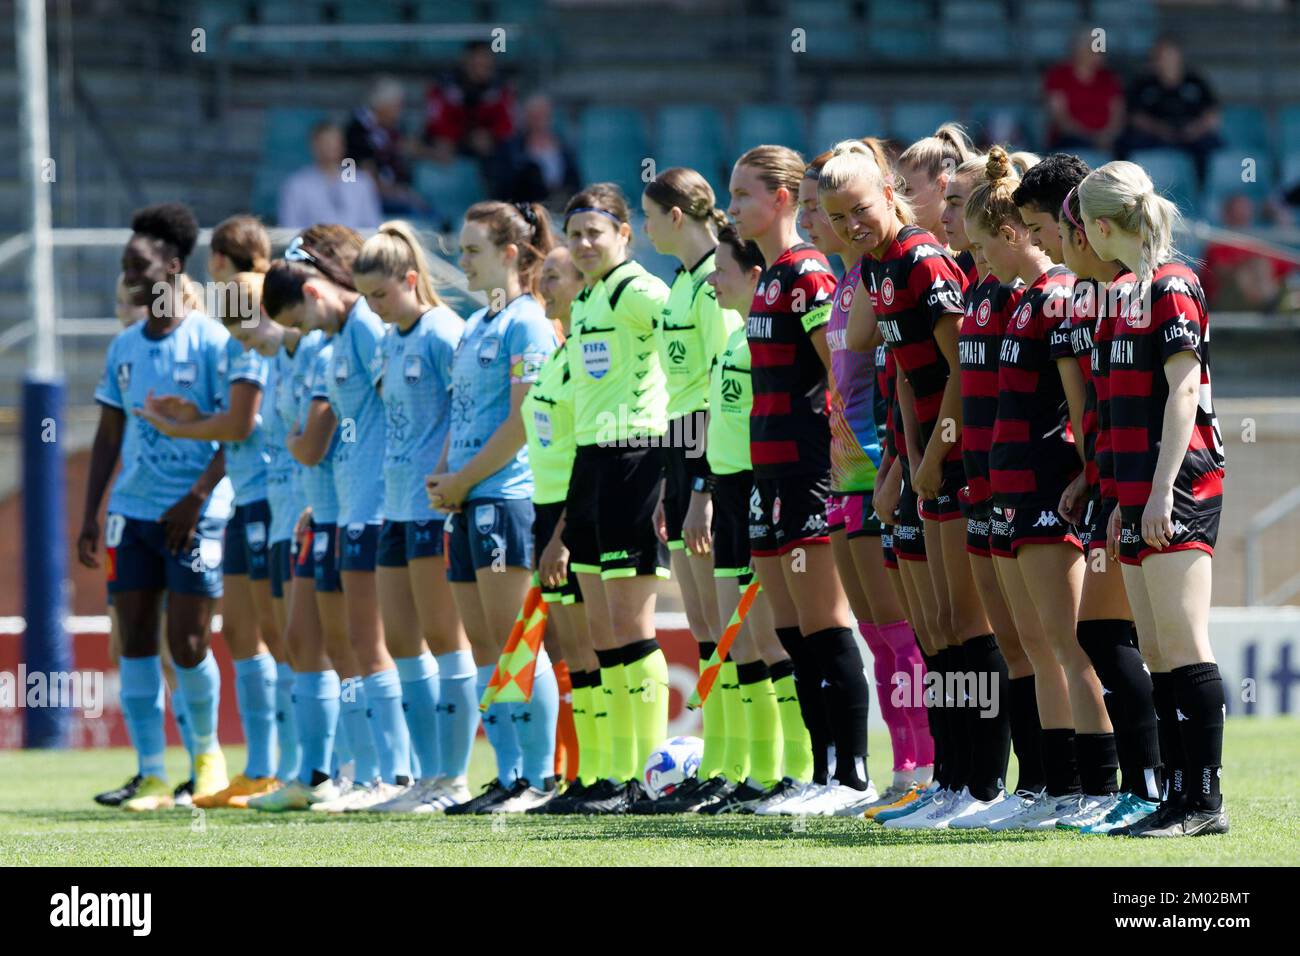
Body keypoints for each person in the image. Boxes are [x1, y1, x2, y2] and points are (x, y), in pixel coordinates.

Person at [962, 147, 1118, 832]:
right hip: (1007, 486)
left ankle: (1100, 784)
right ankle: (1057, 787)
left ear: (1015, 233)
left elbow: (1084, 402)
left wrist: (1089, 473)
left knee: (1065, 642)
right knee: (1032, 641)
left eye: (981, 247)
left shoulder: (1057, 296)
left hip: (1048, 490)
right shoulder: (1016, 300)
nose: (977, 262)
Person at [1080, 160, 1230, 837]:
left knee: (1182, 640)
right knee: (1159, 651)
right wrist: (1120, 497)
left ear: (1103, 225)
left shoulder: (1171, 286)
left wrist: (1162, 490)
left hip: (1181, 484)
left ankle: (1204, 801)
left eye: (1081, 222)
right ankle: (1176, 797)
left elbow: (1183, 391)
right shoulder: (1125, 295)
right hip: (1137, 494)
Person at [729, 145, 876, 817]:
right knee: (790, 632)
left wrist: (843, 466)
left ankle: (850, 776)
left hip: (810, 473)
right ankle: (820, 773)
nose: (732, 210)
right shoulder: (766, 277)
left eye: (742, 196)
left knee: (823, 625)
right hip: (771, 473)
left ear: (782, 199)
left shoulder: (809, 274)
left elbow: (839, 376)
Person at [79, 203, 232, 812]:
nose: (129, 277)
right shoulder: (123, 348)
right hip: (133, 514)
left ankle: (207, 762)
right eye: (125, 267)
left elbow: (238, 434)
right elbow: (109, 434)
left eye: (138, 266)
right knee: (136, 642)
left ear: (171, 268)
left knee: (189, 644)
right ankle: (151, 775)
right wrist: (91, 512)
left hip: (196, 515)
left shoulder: (214, 340)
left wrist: (195, 500)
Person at [135, 216, 293, 808]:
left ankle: (298, 767)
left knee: (277, 637)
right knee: (253, 637)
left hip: (270, 495)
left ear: (224, 263)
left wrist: (183, 423)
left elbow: (242, 423)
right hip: (251, 495)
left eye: (213, 261)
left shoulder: (251, 315)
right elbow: (232, 415)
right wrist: (195, 408)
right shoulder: (235, 326)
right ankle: (266, 767)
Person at [261, 225, 414, 812]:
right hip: (343, 508)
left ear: (315, 291)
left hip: (376, 506)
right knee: (343, 642)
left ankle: (394, 775)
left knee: (370, 644)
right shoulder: (343, 335)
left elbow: (334, 434)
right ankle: (357, 773)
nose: (302, 335)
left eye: (299, 320)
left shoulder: (367, 329)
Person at [806, 144, 932, 811]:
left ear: (886, 191)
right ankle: (905, 769)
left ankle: (929, 767)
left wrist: (897, 467)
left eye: (850, 210)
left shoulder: (891, 269)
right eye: (829, 212)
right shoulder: (852, 280)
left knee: (905, 630)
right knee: (879, 635)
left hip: (884, 465)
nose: (828, 222)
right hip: (845, 473)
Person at [432, 201, 561, 815]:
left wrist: (462, 479)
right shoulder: (474, 324)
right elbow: (462, 416)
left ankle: (537, 778)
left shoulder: (528, 323)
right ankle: (507, 774)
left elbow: (522, 424)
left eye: (473, 251)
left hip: (506, 498)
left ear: (510, 254)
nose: (462, 262)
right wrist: (444, 475)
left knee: (516, 644)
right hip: (467, 500)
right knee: (486, 646)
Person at [936, 149, 1050, 831]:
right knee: (1006, 644)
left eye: (962, 204)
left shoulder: (1030, 290)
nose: (954, 221)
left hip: (1025, 484)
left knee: (1042, 643)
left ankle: (1048, 782)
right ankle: (997, 784)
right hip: (978, 479)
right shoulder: (981, 288)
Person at [558, 183, 676, 815]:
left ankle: (645, 774)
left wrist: (681, 456)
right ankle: (609, 776)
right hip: (591, 460)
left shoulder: (643, 293)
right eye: (573, 234)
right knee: (601, 626)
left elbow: (690, 361)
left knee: (631, 624)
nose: (582, 244)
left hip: (637, 455)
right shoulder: (585, 300)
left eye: (594, 233)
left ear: (624, 234)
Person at [351, 222, 477, 813]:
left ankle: (453, 779)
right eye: (366, 298)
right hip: (393, 507)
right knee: (402, 640)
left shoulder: (443, 333)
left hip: (434, 508)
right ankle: (425, 779)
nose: (374, 309)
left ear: (409, 280)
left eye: (380, 295)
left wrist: (451, 474)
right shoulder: (387, 339)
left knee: (444, 640)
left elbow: (469, 410)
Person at [1055, 183, 1166, 833]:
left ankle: (1150, 781)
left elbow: (1152, 406)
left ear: (1092, 233)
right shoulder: (1099, 304)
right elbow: (1102, 410)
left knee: (1113, 635)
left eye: (1062, 233)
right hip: (1108, 487)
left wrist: (1126, 488)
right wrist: (1089, 476)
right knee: (1111, 635)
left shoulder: (1138, 296)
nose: (1061, 248)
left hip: (1138, 492)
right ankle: (1149, 781)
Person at [640, 167, 739, 797]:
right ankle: (721, 762)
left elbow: (718, 390)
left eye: (649, 217)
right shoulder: (679, 285)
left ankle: (743, 765)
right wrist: (669, 485)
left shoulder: (714, 284)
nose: (643, 230)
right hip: (679, 458)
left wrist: (701, 484)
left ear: (676, 217)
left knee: (727, 626)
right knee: (705, 623)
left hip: (709, 456)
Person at [523, 246, 603, 814]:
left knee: (593, 650)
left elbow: (592, 448)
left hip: (576, 514)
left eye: (554, 274)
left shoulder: (595, 357)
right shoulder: (559, 347)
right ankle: (582, 777)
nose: (541, 282)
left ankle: (604, 773)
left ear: (582, 281)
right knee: (569, 653)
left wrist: (564, 535)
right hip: (545, 507)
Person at [1119, 36, 1223, 186]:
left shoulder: (1195, 81)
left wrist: (1194, 130)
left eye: (1170, 56)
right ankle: (1131, 190)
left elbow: (1213, 115)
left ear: (1179, 57)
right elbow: (1134, 117)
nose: (1165, 61)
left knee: (1213, 146)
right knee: (1126, 144)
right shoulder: (1143, 83)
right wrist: (1159, 129)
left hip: (1190, 136)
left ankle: (1202, 191)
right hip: (1154, 136)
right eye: (1161, 56)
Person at [278, 121, 384, 232]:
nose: (330, 147)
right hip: (311, 247)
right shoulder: (296, 184)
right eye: (325, 142)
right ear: (313, 145)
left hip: (355, 246)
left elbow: (372, 225)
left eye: (335, 142)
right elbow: (288, 227)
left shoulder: (362, 182)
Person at [424, 41, 516, 166]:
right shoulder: (444, 86)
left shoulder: (500, 88)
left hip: (490, 147)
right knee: (439, 146)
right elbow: (436, 121)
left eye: (486, 64)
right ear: (466, 62)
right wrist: (466, 137)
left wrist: (491, 135)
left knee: (509, 151)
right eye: (477, 63)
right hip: (453, 144)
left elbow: (507, 124)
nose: (482, 68)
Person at [346, 77, 426, 217]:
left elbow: (409, 148)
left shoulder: (392, 129)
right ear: (381, 105)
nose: (400, 111)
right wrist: (401, 195)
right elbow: (362, 179)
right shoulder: (357, 131)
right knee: (417, 214)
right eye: (397, 105)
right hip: (369, 199)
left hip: (392, 192)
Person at [1200, 194, 1293, 311]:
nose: (1242, 215)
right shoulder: (1216, 245)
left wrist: (1283, 225)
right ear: (1227, 214)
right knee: (1245, 273)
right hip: (1225, 302)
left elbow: (1285, 267)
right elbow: (1219, 276)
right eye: (1237, 212)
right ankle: (1269, 306)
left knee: (1260, 265)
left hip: (1258, 296)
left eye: (1245, 211)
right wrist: (1246, 266)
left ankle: (1268, 306)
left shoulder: (1257, 244)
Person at [1043, 29, 1124, 154]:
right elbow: (1061, 118)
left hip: (1108, 141)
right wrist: (1092, 138)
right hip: (1072, 140)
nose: (1100, 53)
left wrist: (1107, 136)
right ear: (1078, 50)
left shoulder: (1109, 77)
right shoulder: (1058, 76)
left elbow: (1117, 115)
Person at [495, 94, 582, 208]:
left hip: (560, 204)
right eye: (535, 116)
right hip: (528, 206)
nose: (540, 120)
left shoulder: (563, 147)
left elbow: (576, 182)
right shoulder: (513, 149)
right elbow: (505, 187)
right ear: (527, 118)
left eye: (544, 115)